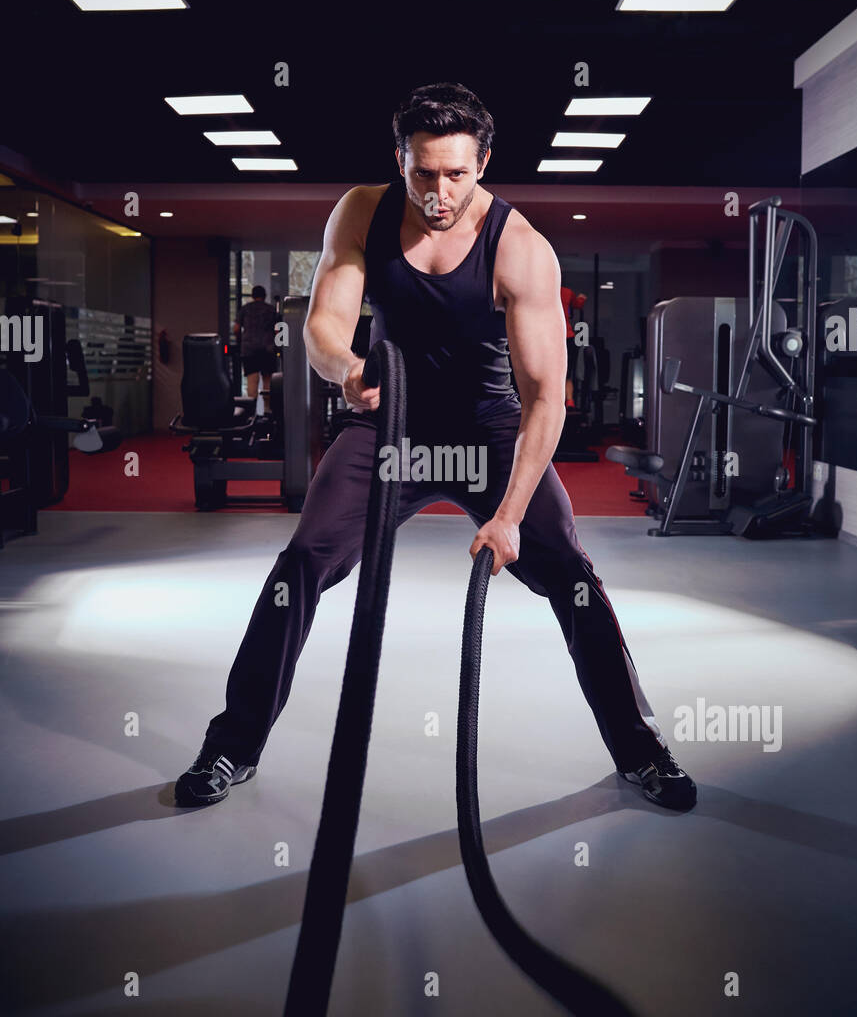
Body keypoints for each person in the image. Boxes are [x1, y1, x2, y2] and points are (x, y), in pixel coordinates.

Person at [176, 83, 696, 812]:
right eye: (423, 173)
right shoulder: (364, 210)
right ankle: (232, 744)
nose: (439, 191)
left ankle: (640, 749)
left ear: (483, 162)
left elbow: (547, 398)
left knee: (572, 576)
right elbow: (323, 328)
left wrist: (511, 515)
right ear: (400, 161)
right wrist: (349, 371)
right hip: (386, 426)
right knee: (302, 563)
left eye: (456, 173)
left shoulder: (519, 247)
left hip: (489, 430)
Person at [234, 284, 278, 407]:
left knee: (252, 381)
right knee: (268, 382)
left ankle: (251, 413)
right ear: (264, 296)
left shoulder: (245, 309)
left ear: (252, 296)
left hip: (249, 350)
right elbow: (277, 331)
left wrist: (240, 341)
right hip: (267, 349)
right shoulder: (271, 310)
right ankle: (267, 411)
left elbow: (236, 329)